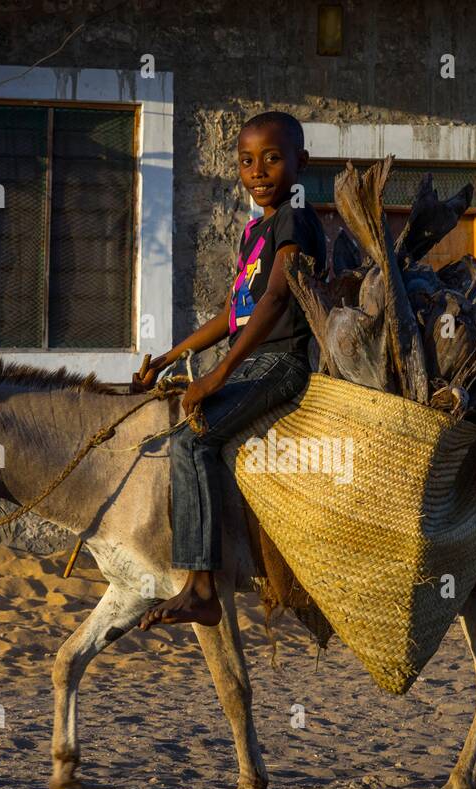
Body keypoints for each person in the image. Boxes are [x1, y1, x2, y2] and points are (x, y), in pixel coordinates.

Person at [133, 111, 327, 629]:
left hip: (280, 363)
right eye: (246, 161)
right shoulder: (254, 232)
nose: (258, 171)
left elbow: (276, 300)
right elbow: (233, 314)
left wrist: (215, 378)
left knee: (191, 441)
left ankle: (200, 586)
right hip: (250, 359)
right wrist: (173, 357)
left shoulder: (295, 219)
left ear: (300, 163)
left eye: (272, 158)